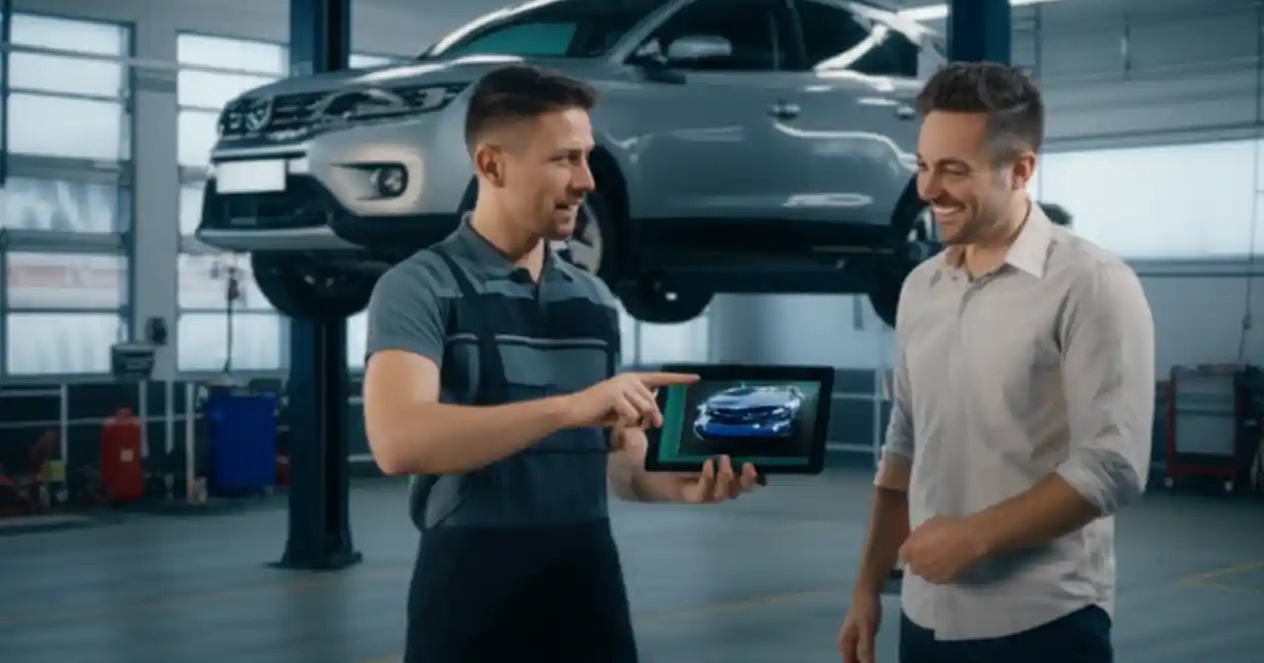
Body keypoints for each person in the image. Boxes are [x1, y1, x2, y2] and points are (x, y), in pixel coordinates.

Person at [361, 63, 761, 663]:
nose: (587, 181)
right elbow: (399, 441)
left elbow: (620, 466)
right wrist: (570, 408)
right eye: (564, 160)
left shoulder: (594, 299)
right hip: (471, 587)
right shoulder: (418, 287)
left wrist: (678, 488)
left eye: (587, 157)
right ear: (491, 164)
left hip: (586, 577)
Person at [838, 61, 1155, 663]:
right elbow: (904, 447)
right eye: (923, 166)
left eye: (954, 171)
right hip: (923, 619)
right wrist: (867, 587)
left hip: (1043, 623)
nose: (928, 191)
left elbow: (1113, 464)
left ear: (1022, 170)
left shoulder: (1091, 284)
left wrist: (973, 538)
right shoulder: (920, 288)